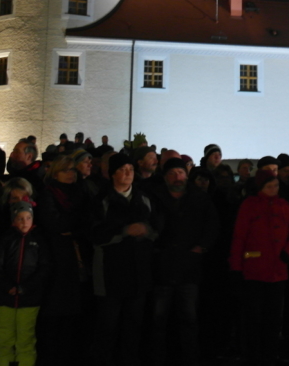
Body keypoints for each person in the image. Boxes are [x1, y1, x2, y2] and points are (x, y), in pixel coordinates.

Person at [90, 152, 161, 366]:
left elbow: (158, 227)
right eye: (122, 169)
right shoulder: (102, 201)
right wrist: (124, 231)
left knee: (133, 328)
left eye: (130, 169)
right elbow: (94, 234)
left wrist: (146, 230)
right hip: (110, 274)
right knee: (108, 328)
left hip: (138, 274)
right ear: (112, 174)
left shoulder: (144, 199)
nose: (128, 173)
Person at [150, 158, 220, 366]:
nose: (177, 177)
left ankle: (190, 358)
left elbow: (212, 226)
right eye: (172, 174)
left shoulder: (199, 198)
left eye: (180, 173)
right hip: (163, 267)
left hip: (189, 268)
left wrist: (200, 247)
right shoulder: (155, 198)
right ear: (165, 177)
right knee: (158, 319)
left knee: (189, 319)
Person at [230, 170, 289, 366]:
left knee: (274, 318)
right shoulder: (249, 205)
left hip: (278, 271)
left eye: (276, 186)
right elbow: (239, 237)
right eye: (269, 186)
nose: (274, 189)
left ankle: (270, 354)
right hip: (254, 270)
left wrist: (288, 252)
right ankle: (253, 355)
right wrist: (236, 266)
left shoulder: (284, 205)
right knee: (253, 317)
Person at [37, 154, 89, 364]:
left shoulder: (81, 193)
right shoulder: (49, 193)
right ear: (55, 172)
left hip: (77, 258)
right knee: (57, 308)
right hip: (57, 258)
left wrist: (73, 227)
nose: (71, 174)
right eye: (66, 170)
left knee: (75, 311)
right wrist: (73, 225)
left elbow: (85, 221)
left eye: (73, 170)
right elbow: (54, 224)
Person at [0, 200, 51, 366]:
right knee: (4, 336)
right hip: (4, 298)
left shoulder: (39, 240)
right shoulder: (5, 239)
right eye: (20, 218)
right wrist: (7, 286)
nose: (25, 222)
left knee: (26, 337)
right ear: (13, 220)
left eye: (28, 218)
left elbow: (44, 268)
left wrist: (26, 287)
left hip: (29, 298)